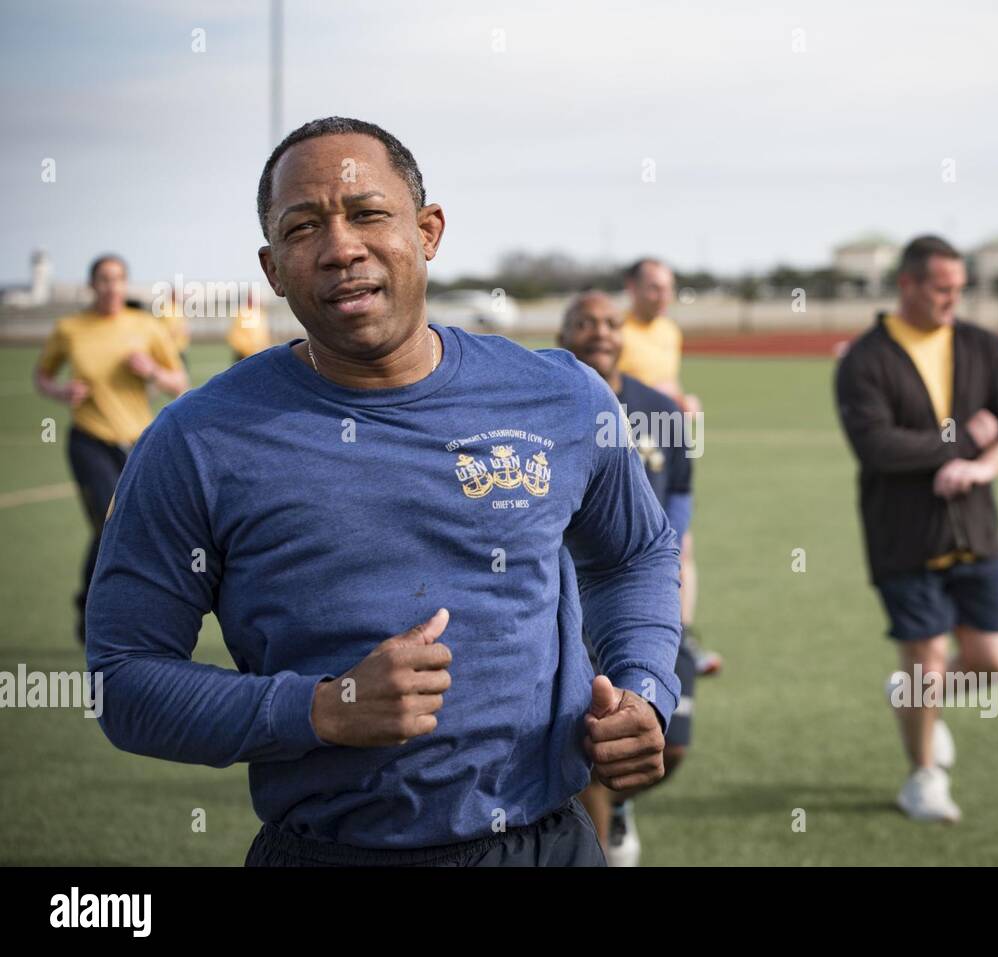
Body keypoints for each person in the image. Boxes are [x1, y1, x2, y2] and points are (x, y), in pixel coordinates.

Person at [85, 116, 681, 867]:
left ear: (428, 231)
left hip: (546, 844)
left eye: (368, 213)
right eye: (304, 227)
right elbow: (124, 678)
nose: (341, 248)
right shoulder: (197, 440)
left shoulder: (559, 396)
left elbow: (634, 552)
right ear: (273, 269)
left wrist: (643, 687)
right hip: (330, 852)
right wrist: (318, 709)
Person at [833, 235, 998, 823]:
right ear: (908, 285)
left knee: (996, 663)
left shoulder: (983, 346)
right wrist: (965, 438)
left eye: (959, 289)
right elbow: (877, 446)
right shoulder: (864, 359)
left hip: (977, 530)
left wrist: (979, 467)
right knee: (925, 660)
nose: (953, 299)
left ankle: (914, 701)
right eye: (942, 288)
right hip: (903, 534)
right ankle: (922, 777)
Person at [559, 290, 696, 867]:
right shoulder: (546, 404)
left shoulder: (663, 413)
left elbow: (681, 517)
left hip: (648, 599)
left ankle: (618, 808)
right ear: (564, 333)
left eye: (611, 322)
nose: (600, 332)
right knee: (594, 723)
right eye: (584, 322)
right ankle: (599, 837)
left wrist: (685, 600)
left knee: (673, 740)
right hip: (569, 606)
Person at [34, 254, 188, 644]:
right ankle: (90, 611)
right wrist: (61, 391)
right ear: (92, 285)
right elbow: (42, 376)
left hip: (137, 443)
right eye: (103, 279)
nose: (111, 286)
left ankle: (140, 613)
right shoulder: (70, 329)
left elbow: (179, 381)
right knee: (107, 522)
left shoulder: (146, 327)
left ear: (125, 284)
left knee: (136, 529)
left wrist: (151, 371)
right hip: (89, 439)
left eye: (118, 279)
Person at [619, 257, 720, 676]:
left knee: (682, 545)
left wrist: (682, 400)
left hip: (669, 446)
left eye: (668, 288)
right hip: (628, 452)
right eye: (654, 288)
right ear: (633, 289)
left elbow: (668, 386)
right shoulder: (618, 333)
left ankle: (682, 636)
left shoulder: (669, 332)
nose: (664, 297)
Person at [228, 288, 273, 362]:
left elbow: (263, 333)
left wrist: (265, 345)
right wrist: (245, 348)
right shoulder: (242, 313)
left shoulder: (261, 313)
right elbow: (236, 334)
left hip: (258, 351)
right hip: (243, 352)